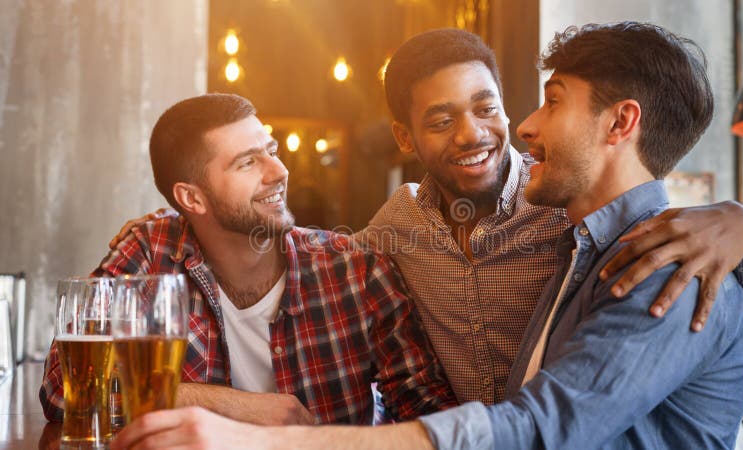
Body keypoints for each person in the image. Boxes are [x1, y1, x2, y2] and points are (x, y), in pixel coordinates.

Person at [111, 21, 743, 450]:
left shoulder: (577, 217)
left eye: (490, 108)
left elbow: (545, 423)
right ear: (405, 138)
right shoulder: (390, 237)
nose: (487, 132)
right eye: (441, 119)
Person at [40, 94, 457, 426]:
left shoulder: (355, 269)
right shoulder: (152, 250)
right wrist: (235, 407)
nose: (279, 171)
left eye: (270, 150)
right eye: (248, 162)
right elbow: (66, 387)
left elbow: (428, 413)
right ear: (191, 198)